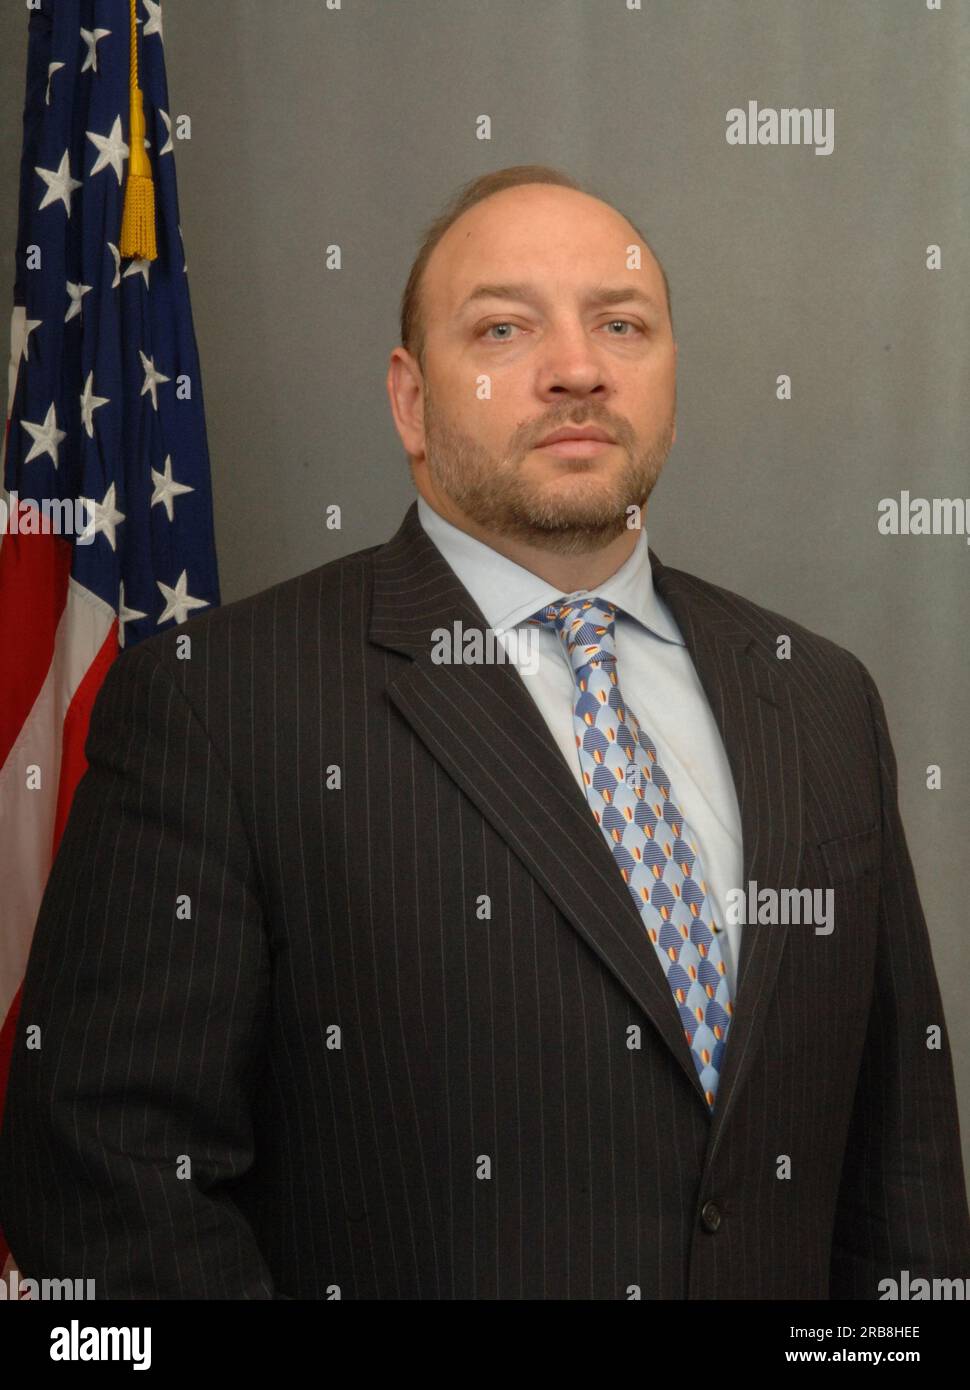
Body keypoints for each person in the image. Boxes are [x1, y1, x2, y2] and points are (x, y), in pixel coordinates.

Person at [1, 164, 967, 1300]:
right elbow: (109, 1186)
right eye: (504, 328)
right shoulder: (220, 702)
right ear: (410, 401)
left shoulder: (818, 696)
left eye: (622, 324)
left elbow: (900, 1166)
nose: (577, 367)